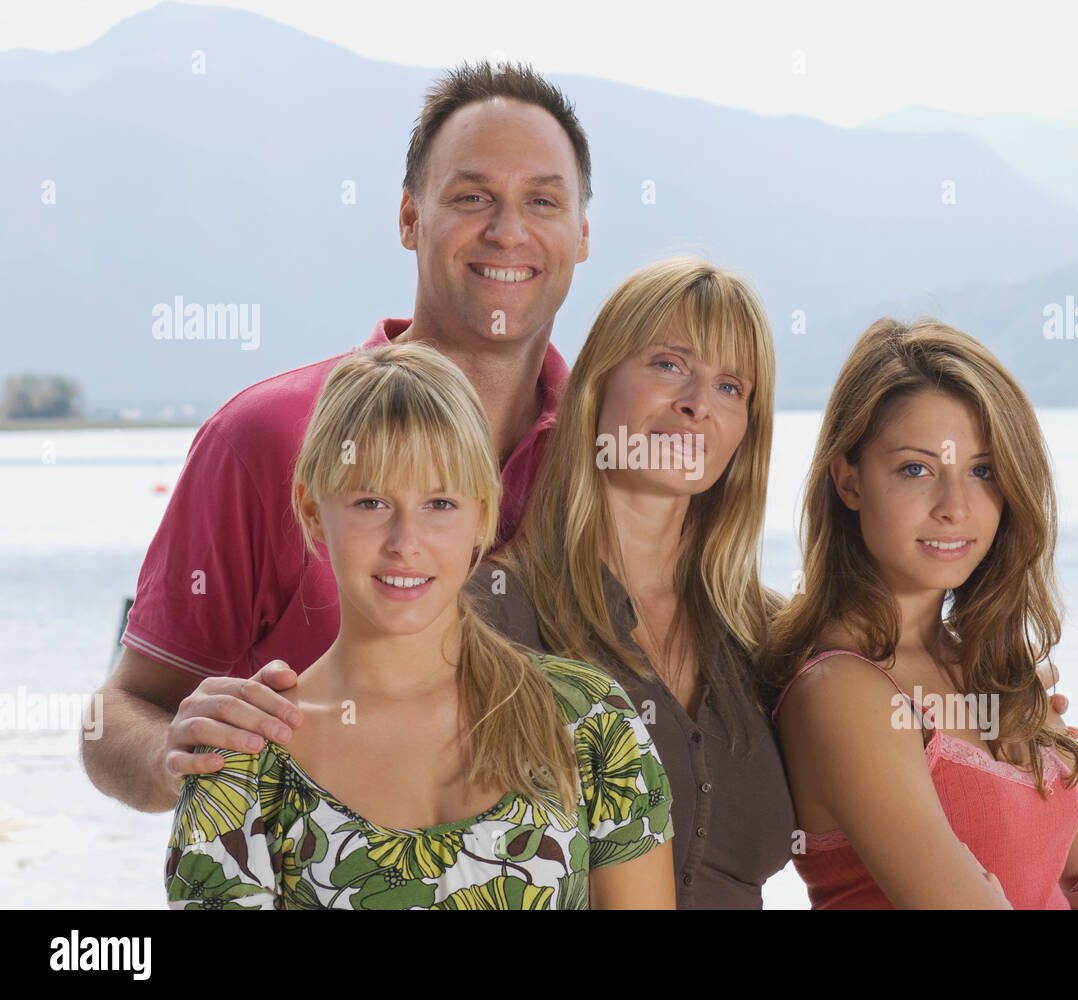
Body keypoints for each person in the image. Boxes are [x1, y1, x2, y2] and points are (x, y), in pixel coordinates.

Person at [84, 61, 592, 813]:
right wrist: (171, 753)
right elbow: (114, 717)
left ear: (581, 234)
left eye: (542, 200)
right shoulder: (266, 436)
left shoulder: (609, 447)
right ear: (409, 219)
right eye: (472, 196)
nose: (507, 230)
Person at [164, 343, 674, 909]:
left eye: (440, 503)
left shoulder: (592, 722)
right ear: (311, 513)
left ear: (483, 514)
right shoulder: (240, 765)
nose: (405, 543)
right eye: (371, 501)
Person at [766, 318, 1078, 909]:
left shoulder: (1000, 670)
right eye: (916, 469)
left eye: (982, 471)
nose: (956, 507)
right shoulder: (841, 692)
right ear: (849, 481)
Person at [469, 257, 797, 908]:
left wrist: (997, 710)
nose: (697, 405)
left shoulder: (770, 636)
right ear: (597, 383)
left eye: (731, 387)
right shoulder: (493, 616)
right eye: (669, 364)